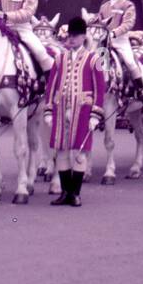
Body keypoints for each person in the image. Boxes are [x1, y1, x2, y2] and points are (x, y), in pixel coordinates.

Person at [43, 15, 106, 208]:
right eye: (70, 35)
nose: (72, 39)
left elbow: (99, 87)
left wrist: (96, 114)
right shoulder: (59, 58)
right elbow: (51, 86)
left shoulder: (93, 59)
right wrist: (48, 110)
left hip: (84, 110)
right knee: (61, 151)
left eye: (76, 35)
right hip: (61, 109)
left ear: (83, 36)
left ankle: (75, 193)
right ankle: (65, 192)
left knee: (80, 152)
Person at [98, 0, 143, 88]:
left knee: (130, 62)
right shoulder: (103, 7)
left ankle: (141, 90)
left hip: (120, 40)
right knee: (97, 64)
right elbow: (98, 22)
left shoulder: (127, 5)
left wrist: (114, 33)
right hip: (104, 42)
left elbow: (128, 24)